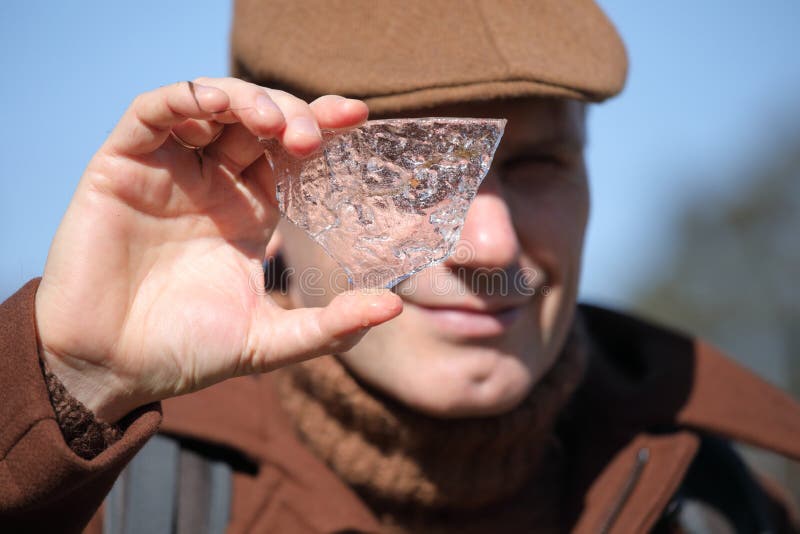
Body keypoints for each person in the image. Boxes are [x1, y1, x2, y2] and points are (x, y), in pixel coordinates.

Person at [1, 0, 799, 532]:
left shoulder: (715, 504)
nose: (490, 248)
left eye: (538, 164)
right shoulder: (109, 490)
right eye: (411, 173)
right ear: (268, 176)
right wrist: (71, 387)